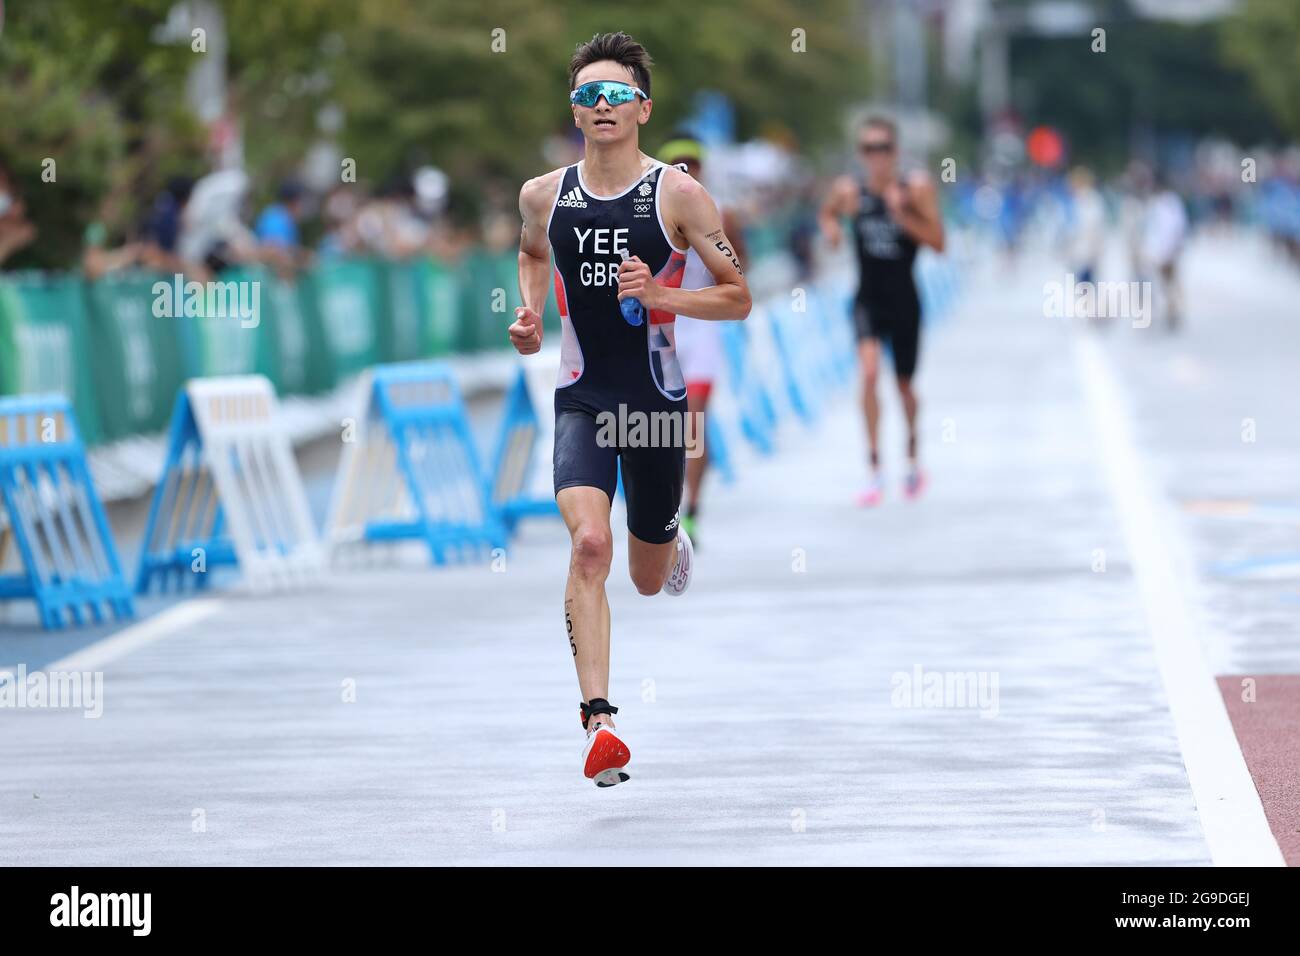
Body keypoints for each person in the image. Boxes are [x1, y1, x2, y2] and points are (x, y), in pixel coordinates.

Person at [508, 32, 751, 787]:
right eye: (588, 95)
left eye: (616, 94)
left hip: (653, 403)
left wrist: (661, 295)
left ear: (643, 107)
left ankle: (670, 541)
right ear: (574, 111)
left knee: (646, 576)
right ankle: (600, 723)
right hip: (582, 394)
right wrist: (527, 316)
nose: (602, 106)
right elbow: (532, 253)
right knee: (588, 546)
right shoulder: (543, 194)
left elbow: (738, 297)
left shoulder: (678, 194)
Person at [819, 116, 944, 505]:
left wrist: (901, 214)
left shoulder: (915, 189)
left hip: (905, 300)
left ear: (896, 153)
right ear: (861, 154)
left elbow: (939, 242)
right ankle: (874, 468)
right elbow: (826, 213)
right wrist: (833, 230)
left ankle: (911, 457)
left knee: (904, 386)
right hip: (867, 299)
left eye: (883, 149)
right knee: (869, 373)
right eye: (869, 149)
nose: (876, 157)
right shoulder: (849, 190)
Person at [658, 135, 747, 547]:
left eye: (691, 163)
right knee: (664, 428)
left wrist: (725, 234)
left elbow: (739, 275)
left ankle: (689, 512)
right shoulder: (653, 213)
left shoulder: (719, 214)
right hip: (665, 331)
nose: (684, 169)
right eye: (676, 163)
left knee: (692, 423)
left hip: (703, 331)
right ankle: (664, 509)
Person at [1141, 171, 1189, 332]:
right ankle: (1168, 311)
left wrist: (1174, 247)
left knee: (1169, 283)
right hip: (1159, 251)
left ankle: (1172, 312)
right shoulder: (1157, 202)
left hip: (1168, 250)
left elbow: (1176, 226)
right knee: (1163, 284)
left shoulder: (1169, 202)